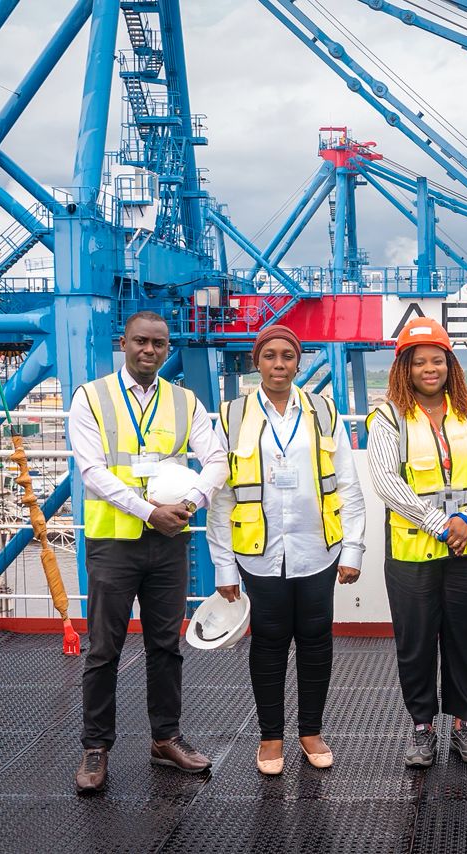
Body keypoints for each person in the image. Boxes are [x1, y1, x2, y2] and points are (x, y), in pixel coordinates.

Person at [68, 311, 228, 795]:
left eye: (159, 343)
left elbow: (217, 458)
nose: (150, 351)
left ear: (167, 347)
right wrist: (147, 511)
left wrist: (192, 502)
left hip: (168, 542)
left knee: (165, 647)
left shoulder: (185, 401)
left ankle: (166, 738)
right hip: (114, 542)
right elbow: (92, 470)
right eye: (141, 341)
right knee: (103, 649)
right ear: (124, 342)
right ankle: (96, 747)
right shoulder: (90, 398)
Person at [206, 325, 366, 774]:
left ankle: (311, 731)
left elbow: (348, 486)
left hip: (318, 549)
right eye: (270, 356)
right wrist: (224, 567)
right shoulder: (230, 416)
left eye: (288, 356)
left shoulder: (323, 411)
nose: (280, 364)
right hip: (257, 552)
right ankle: (270, 737)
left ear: (299, 362)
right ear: (256, 361)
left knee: (316, 643)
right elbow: (220, 499)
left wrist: (352, 549)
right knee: (270, 643)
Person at [366, 317, 467, 769]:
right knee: (416, 642)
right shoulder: (387, 416)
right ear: (404, 366)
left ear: (450, 364)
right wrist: (438, 523)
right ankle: (422, 727)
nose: (429, 368)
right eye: (419, 361)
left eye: (437, 360)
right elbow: (386, 480)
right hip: (413, 553)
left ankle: (465, 723)